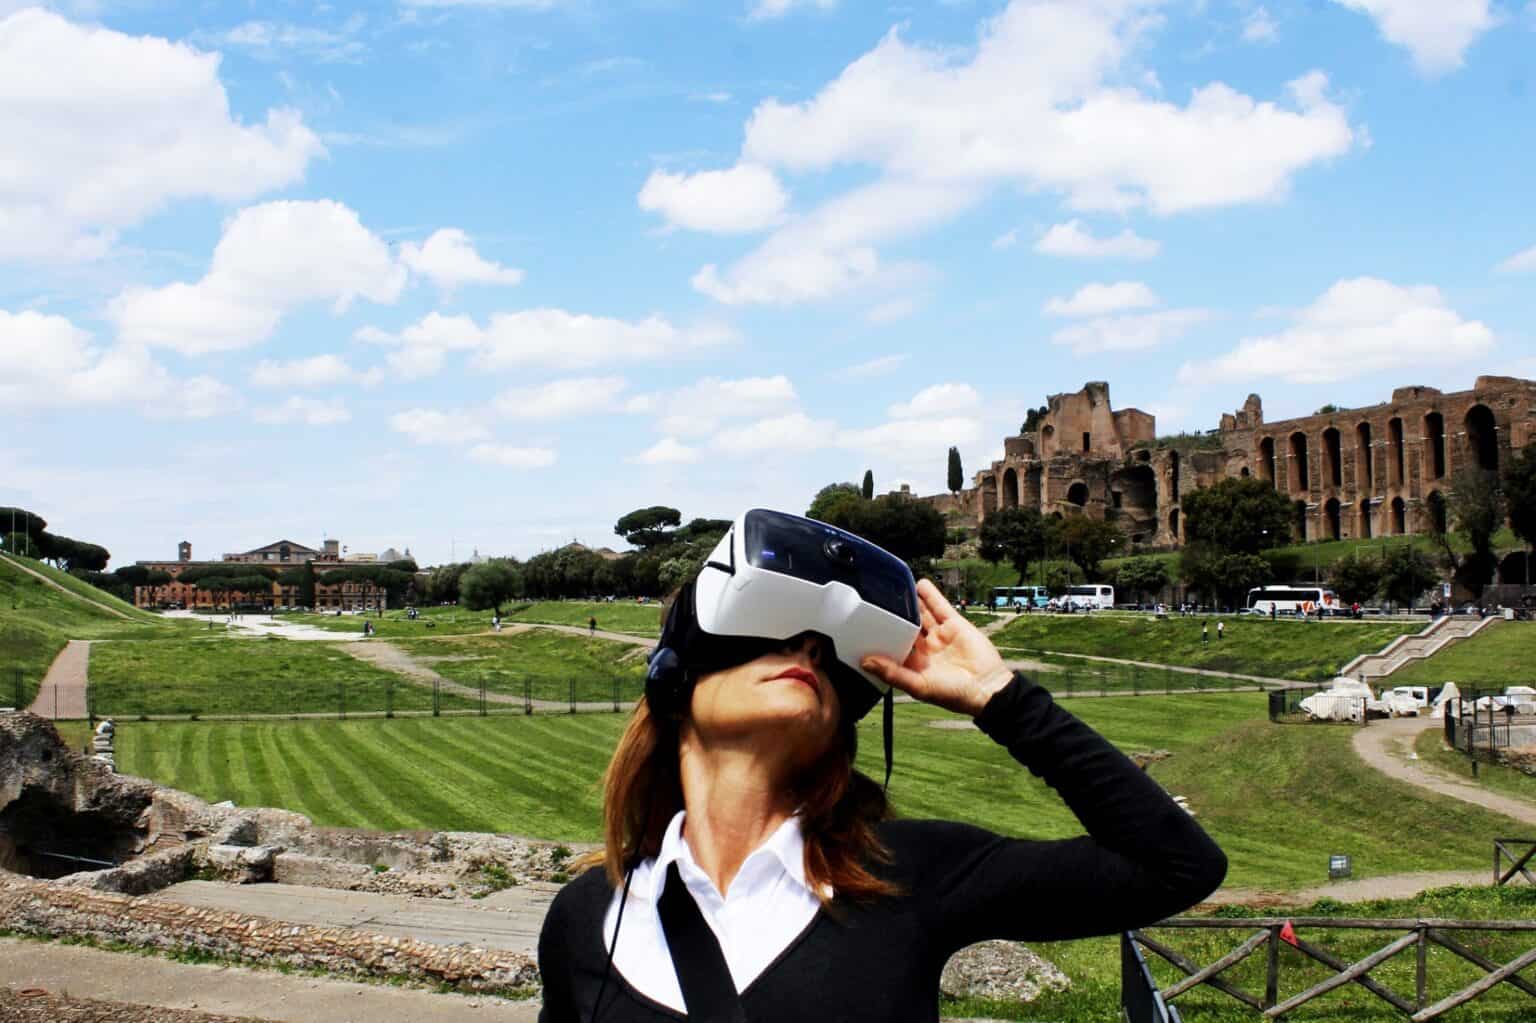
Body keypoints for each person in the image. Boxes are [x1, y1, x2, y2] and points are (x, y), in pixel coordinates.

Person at [537, 509, 1225, 1022]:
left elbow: (1176, 865)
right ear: (672, 681)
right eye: (771, 634)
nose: (806, 649)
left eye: (828, 656)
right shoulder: (585, 916)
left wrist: (1001, 698)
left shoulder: (905, 874)